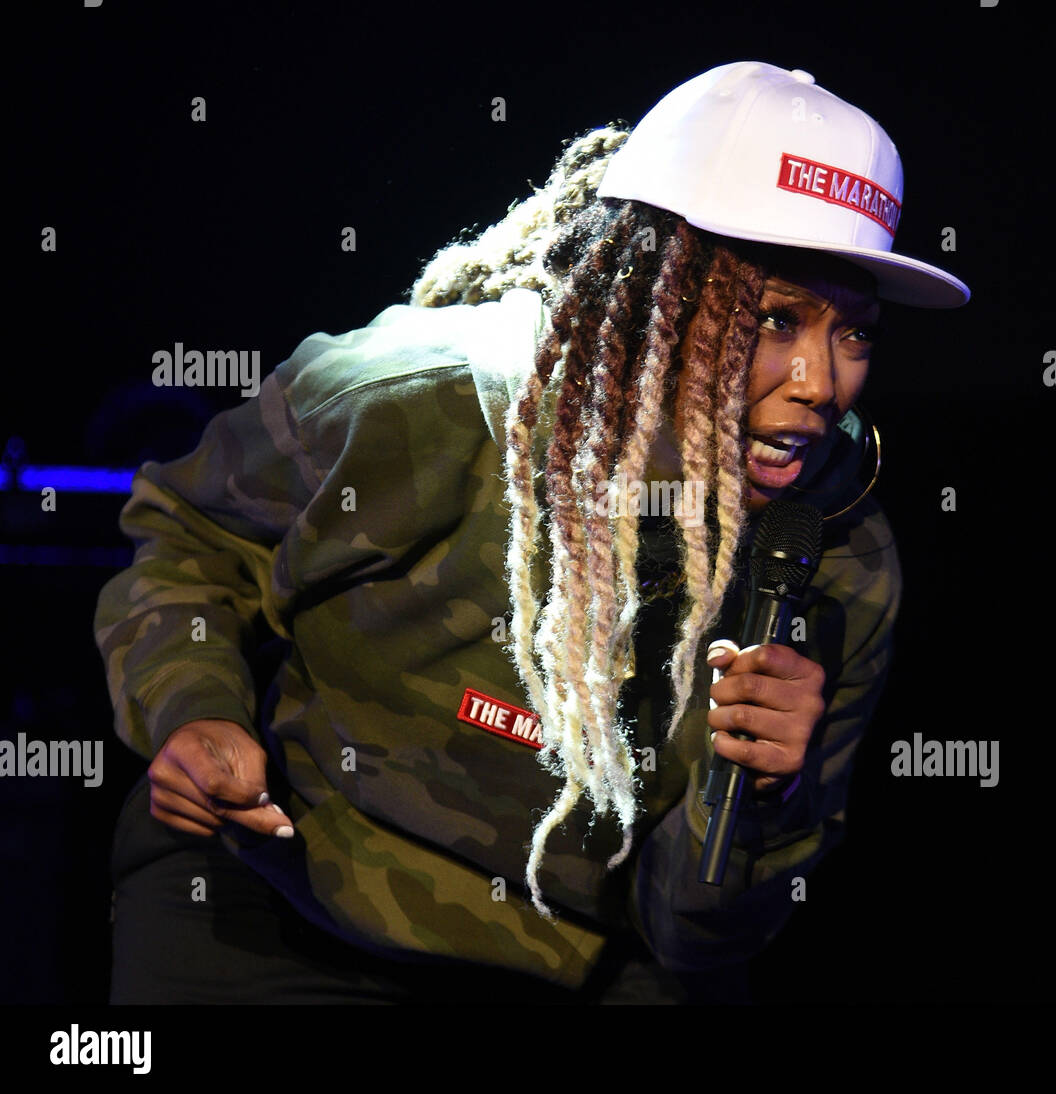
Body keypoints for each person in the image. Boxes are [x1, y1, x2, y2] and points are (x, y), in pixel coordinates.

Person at [94, 60, 969, 1004]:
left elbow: (694, 936)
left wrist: (759, 798)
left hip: (574, 969)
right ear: (654, 295)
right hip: (276, 911)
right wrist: (197, 710)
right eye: (775, 319)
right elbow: (187, 533)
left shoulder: (834, 555)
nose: (819, 382)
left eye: (855, 335)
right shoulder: (415, 399)